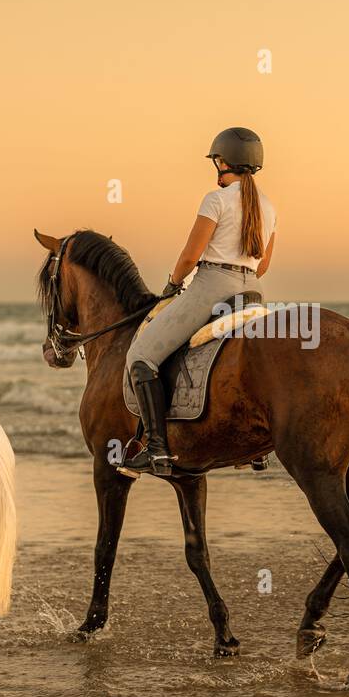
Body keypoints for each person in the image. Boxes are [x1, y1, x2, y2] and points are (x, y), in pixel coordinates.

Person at [120, 128, 277, 476]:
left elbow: (190, 256)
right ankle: (257, 448)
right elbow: (263, 265)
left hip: (212, 285)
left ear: (222, 162)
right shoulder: (268, 206)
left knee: (141, 356)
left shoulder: (215, 200)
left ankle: (157, 449)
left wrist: (172, 284)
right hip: (253, 292)